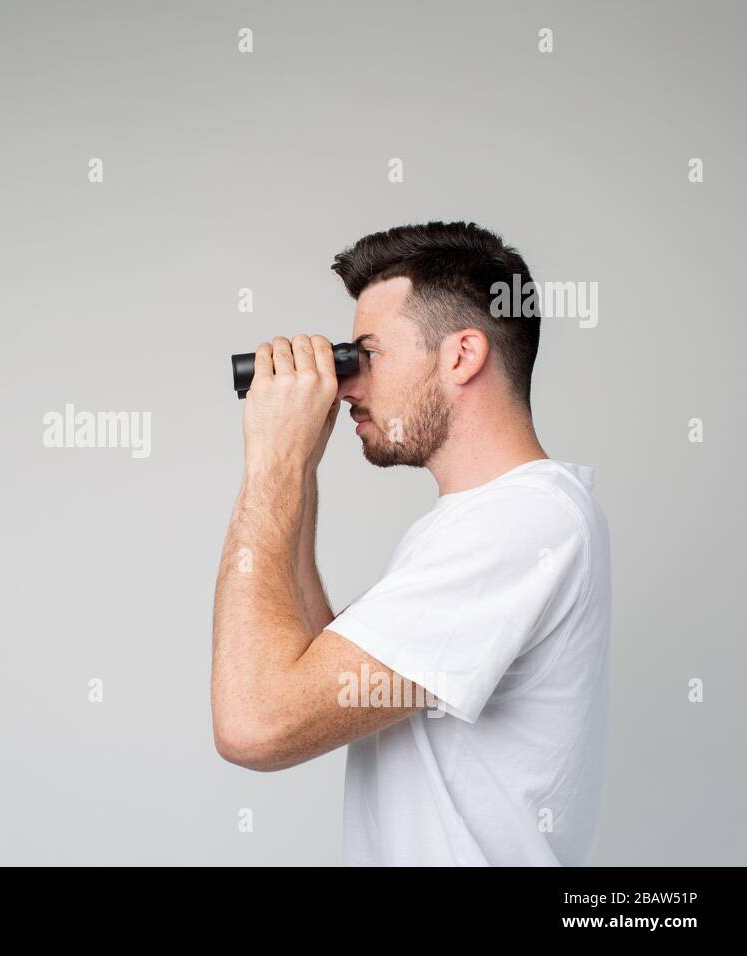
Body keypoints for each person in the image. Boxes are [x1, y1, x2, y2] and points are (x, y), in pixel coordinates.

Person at [211, 221, 611, 866]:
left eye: (367, 354)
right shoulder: (480, 521)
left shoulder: (520, 521)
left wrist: (270, 463)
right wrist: (299, 470)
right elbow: (317, 672)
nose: (347, 385)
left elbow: (255, 725)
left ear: (461, 355)